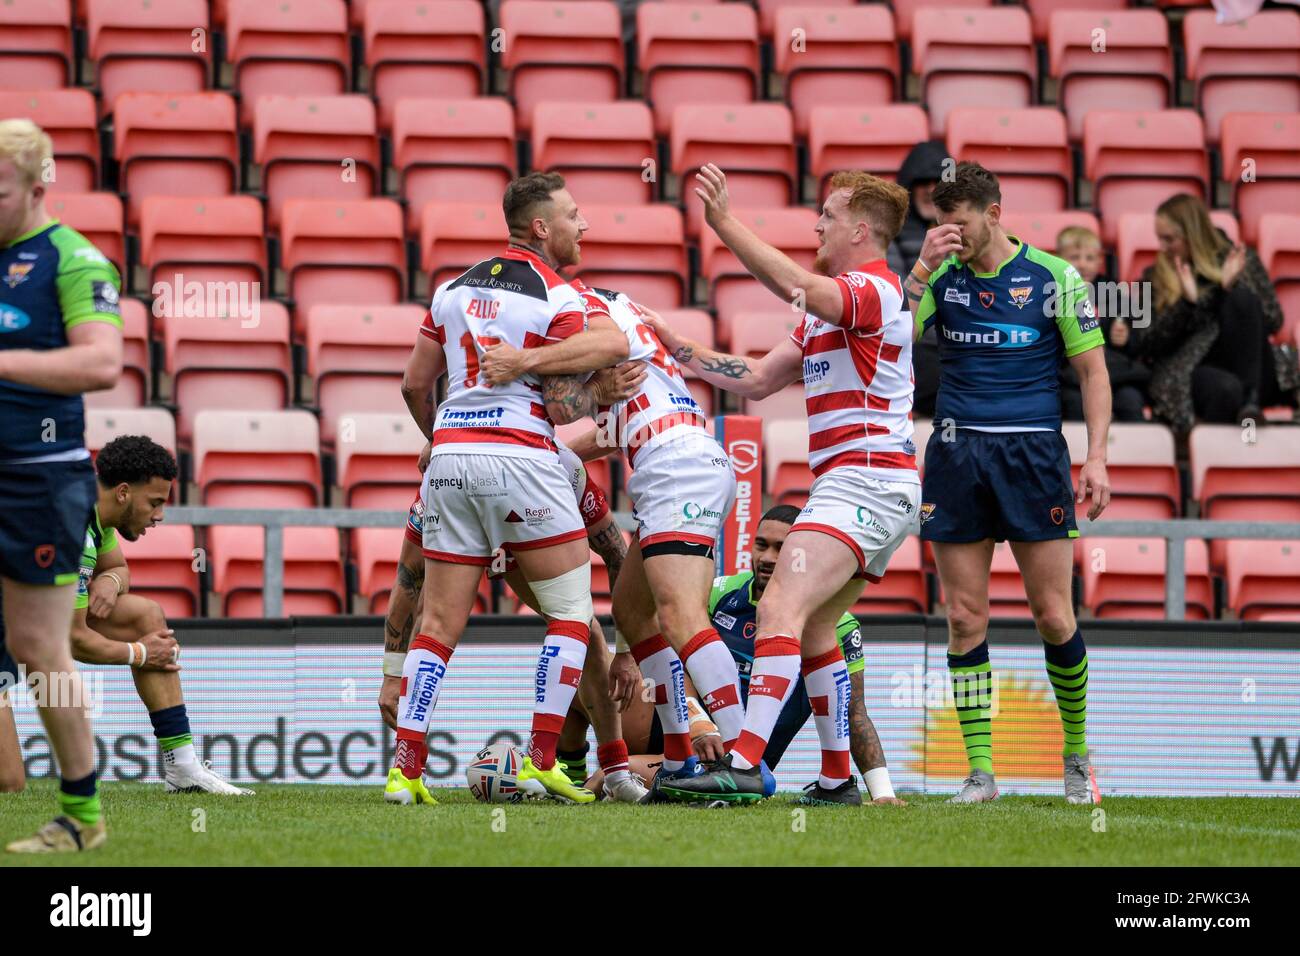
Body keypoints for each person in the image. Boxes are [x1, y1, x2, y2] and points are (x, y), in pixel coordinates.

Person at [642, 167, 920, 806]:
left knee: (777, 608)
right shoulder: (829, 311)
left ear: (860, 228)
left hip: (866, 482)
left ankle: (744, 762)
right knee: (818, 628)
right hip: (867, 486)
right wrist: (674, 345)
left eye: (827, 213)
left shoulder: (876, 290)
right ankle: (835, 781)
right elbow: (759, 378)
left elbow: (796, 285)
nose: (816, 224)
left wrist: (724, 225)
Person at [384, 171, 629, 806]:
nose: (584, 226)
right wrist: (526, 362)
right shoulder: (557, 291)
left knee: (438, 622)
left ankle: (405, 773)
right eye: (574, 215)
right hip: (520, 455)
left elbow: (414, 384)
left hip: (452, 456)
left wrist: (439, 436)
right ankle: (544, 758)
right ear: (542, 228)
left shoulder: (451, 289)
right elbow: (614, 340)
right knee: (572, 612)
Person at [480, 277, 748, 803]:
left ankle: (741, 760)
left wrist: (522, 365)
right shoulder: (618, 314)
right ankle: (678, 760)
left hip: (676, 466)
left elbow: (565, 399)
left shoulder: (581, 310)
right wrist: (533, 445)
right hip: (676, 462)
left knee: (681, 617)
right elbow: (595, 433)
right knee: (632, 612)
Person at [901, 161, 1109, 804]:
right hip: (957, 457)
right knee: (964, 619)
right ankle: (981, 773)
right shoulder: (939, 276)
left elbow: (1094, 375)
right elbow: (889, 342)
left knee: (1052, 614)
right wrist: (918, 274)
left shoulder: (1054, 276)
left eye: (958, 223)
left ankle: (1076, 756)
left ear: (994, 213)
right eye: (940, 225)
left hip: (1033, 457)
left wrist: (1096, 457)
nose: (950, 235)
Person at [377, 436, 650, 802]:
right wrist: (391, 674)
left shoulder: (567, 470)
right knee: (576, 623)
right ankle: (549, 764)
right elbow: (410, 579)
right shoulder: (558, 464)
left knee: (585, 632)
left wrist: (626, 649)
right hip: (507, 504)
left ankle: (406, 773)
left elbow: (618, 556)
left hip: (500, 510)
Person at [576, 505, 905, 805]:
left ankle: (724, 773)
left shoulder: (834, 624)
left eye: (782, 548)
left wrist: (883, 792)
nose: (768, 557)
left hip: (735, 761)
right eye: (761, 545)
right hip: (687, 728)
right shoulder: (721, 592)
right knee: (587, 672)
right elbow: (674, 662)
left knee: (609, 773)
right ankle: (564, 765)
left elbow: (854, 711)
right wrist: (701, 722)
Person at [0, 436, 251, 797]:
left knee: (144, 614)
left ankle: (182, 766)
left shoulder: (93, 514)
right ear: (122, 493)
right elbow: (72, 640)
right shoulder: (66, 529)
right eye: (155, 502)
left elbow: (118, 567)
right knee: (8, 784)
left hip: (17, 627)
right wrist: (143, 653)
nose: (160, 515)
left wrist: (110, 579)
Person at [0, 119, 123, 853]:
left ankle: (81, 816)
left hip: (38, 481)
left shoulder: (73, 261)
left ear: (38, 185)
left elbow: (101, 364)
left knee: (40, 650)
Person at [1131, 193, 1298, 432]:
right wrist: (1187, 305)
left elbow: (1273, 320)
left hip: (1252, 365)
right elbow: (1146, 343)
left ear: (1192, 234)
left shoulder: (1242, 259)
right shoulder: (1152, 276)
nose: (1163, 248)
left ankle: (1250, 401)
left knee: (1240, 298)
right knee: (1227, 391)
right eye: (1160, 239)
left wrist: (1233, 286)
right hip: (1190, 370)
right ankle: (1243, 410)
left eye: (1170, 239)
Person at [1055, 225, 1149, 422]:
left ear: (1099, 261)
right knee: (1073, 402)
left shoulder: (1113, 291)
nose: (1082, 264)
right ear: (1059, 260)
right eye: (1074, 257)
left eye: (1089, 258)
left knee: (1130, 400)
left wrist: (1125, 338)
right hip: (1073, 377)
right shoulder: (1053, 292)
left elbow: (1137, 340)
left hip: (1115, 375)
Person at [887, 141, 951, 418]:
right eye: (922, 182)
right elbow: (895, 299)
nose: (930, 190)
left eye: (938, 182)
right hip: (918, 346)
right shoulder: (890, 232)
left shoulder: (969, 234)